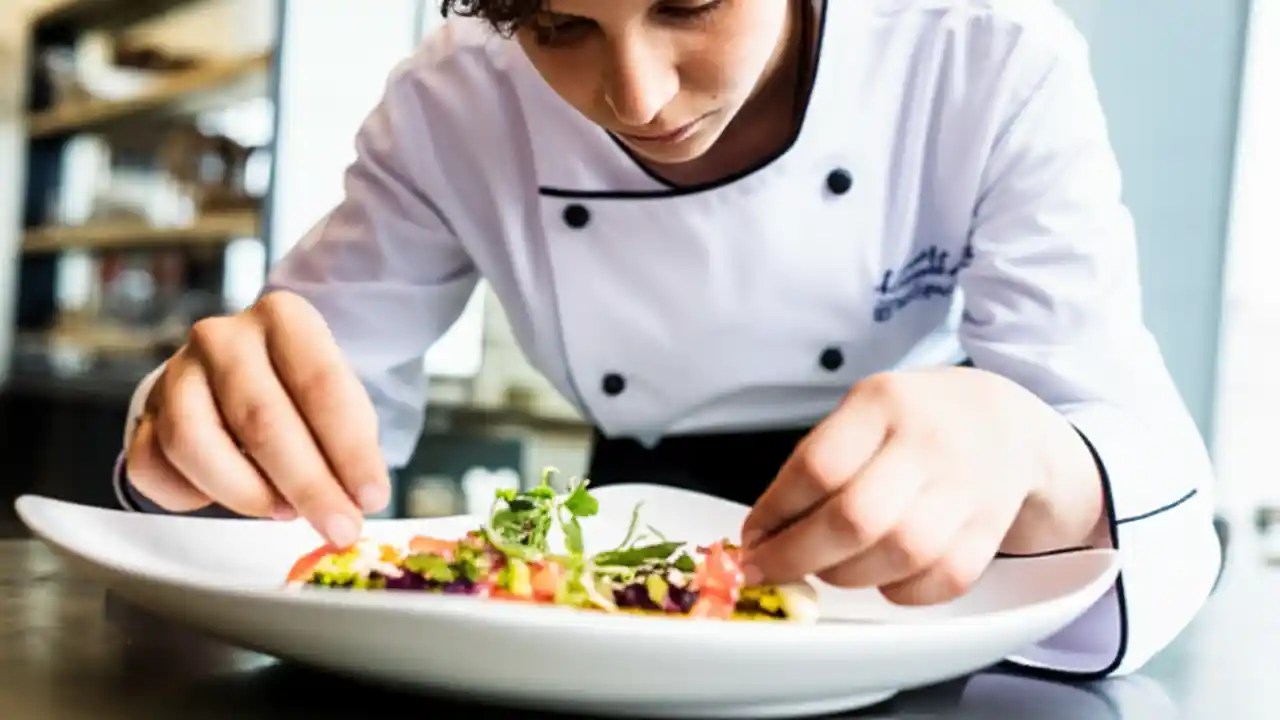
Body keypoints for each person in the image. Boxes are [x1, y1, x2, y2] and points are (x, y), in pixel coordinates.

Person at [112, 0, 1221, 679]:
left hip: (921, 557)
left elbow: (1134, 477)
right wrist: (210, 437)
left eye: (689, 0)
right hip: (611, 577)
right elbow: (299, 414)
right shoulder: (451, 102)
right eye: (560, 27)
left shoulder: (984, 55)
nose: (635, 94)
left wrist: (1037, 459)